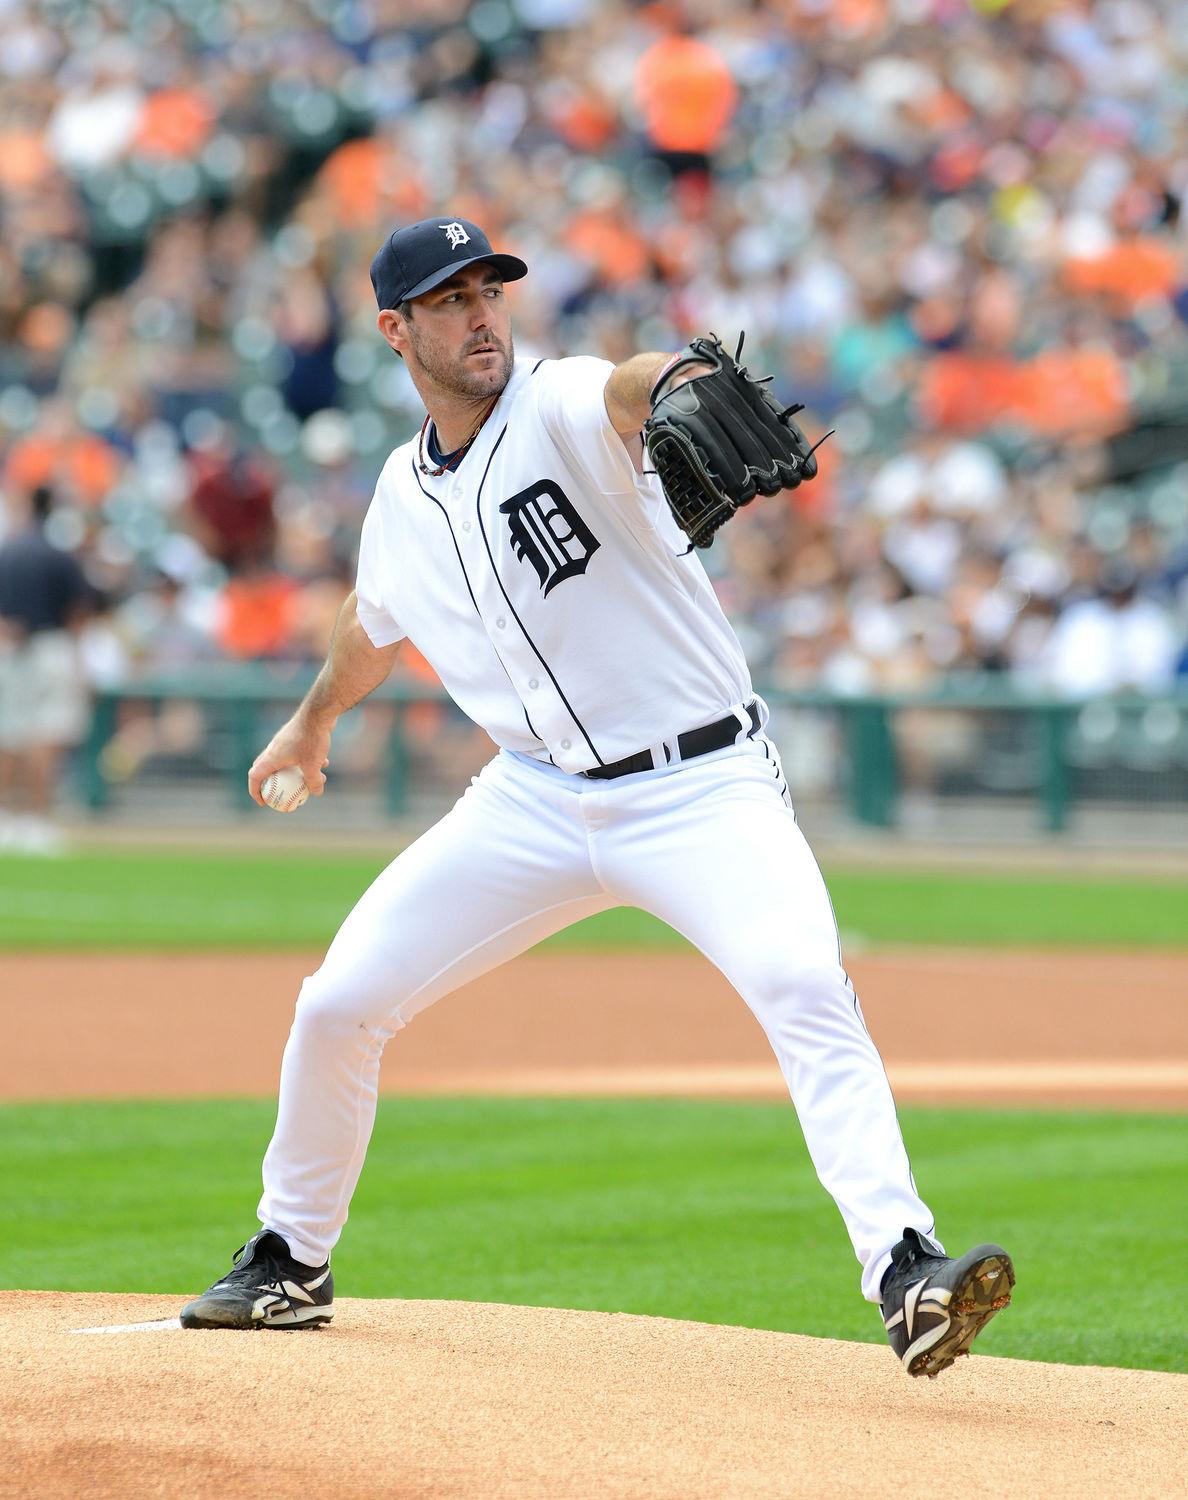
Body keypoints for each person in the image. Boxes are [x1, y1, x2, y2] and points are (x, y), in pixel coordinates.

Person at [181, 216, 1014, 1378]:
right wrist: (312, 723)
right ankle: (290, 1259)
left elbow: (626, 388)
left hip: (702, 786)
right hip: (529, 803)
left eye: (490, 291)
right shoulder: (400, 493)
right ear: (395, 329)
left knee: (798, 983)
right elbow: (373, 623)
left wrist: (678, 377)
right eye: (450, 299)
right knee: (336, 1006)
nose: (481, 314)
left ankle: (905, 1271)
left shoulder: (559, 402)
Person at [0, 485, 90, 854]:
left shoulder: (7, 551)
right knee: (45, 736)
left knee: (8, 735)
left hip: (9, 646)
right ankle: (35, 820)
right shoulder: (57, 553)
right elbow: (79, 609)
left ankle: (5, 818)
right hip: (49, 646)